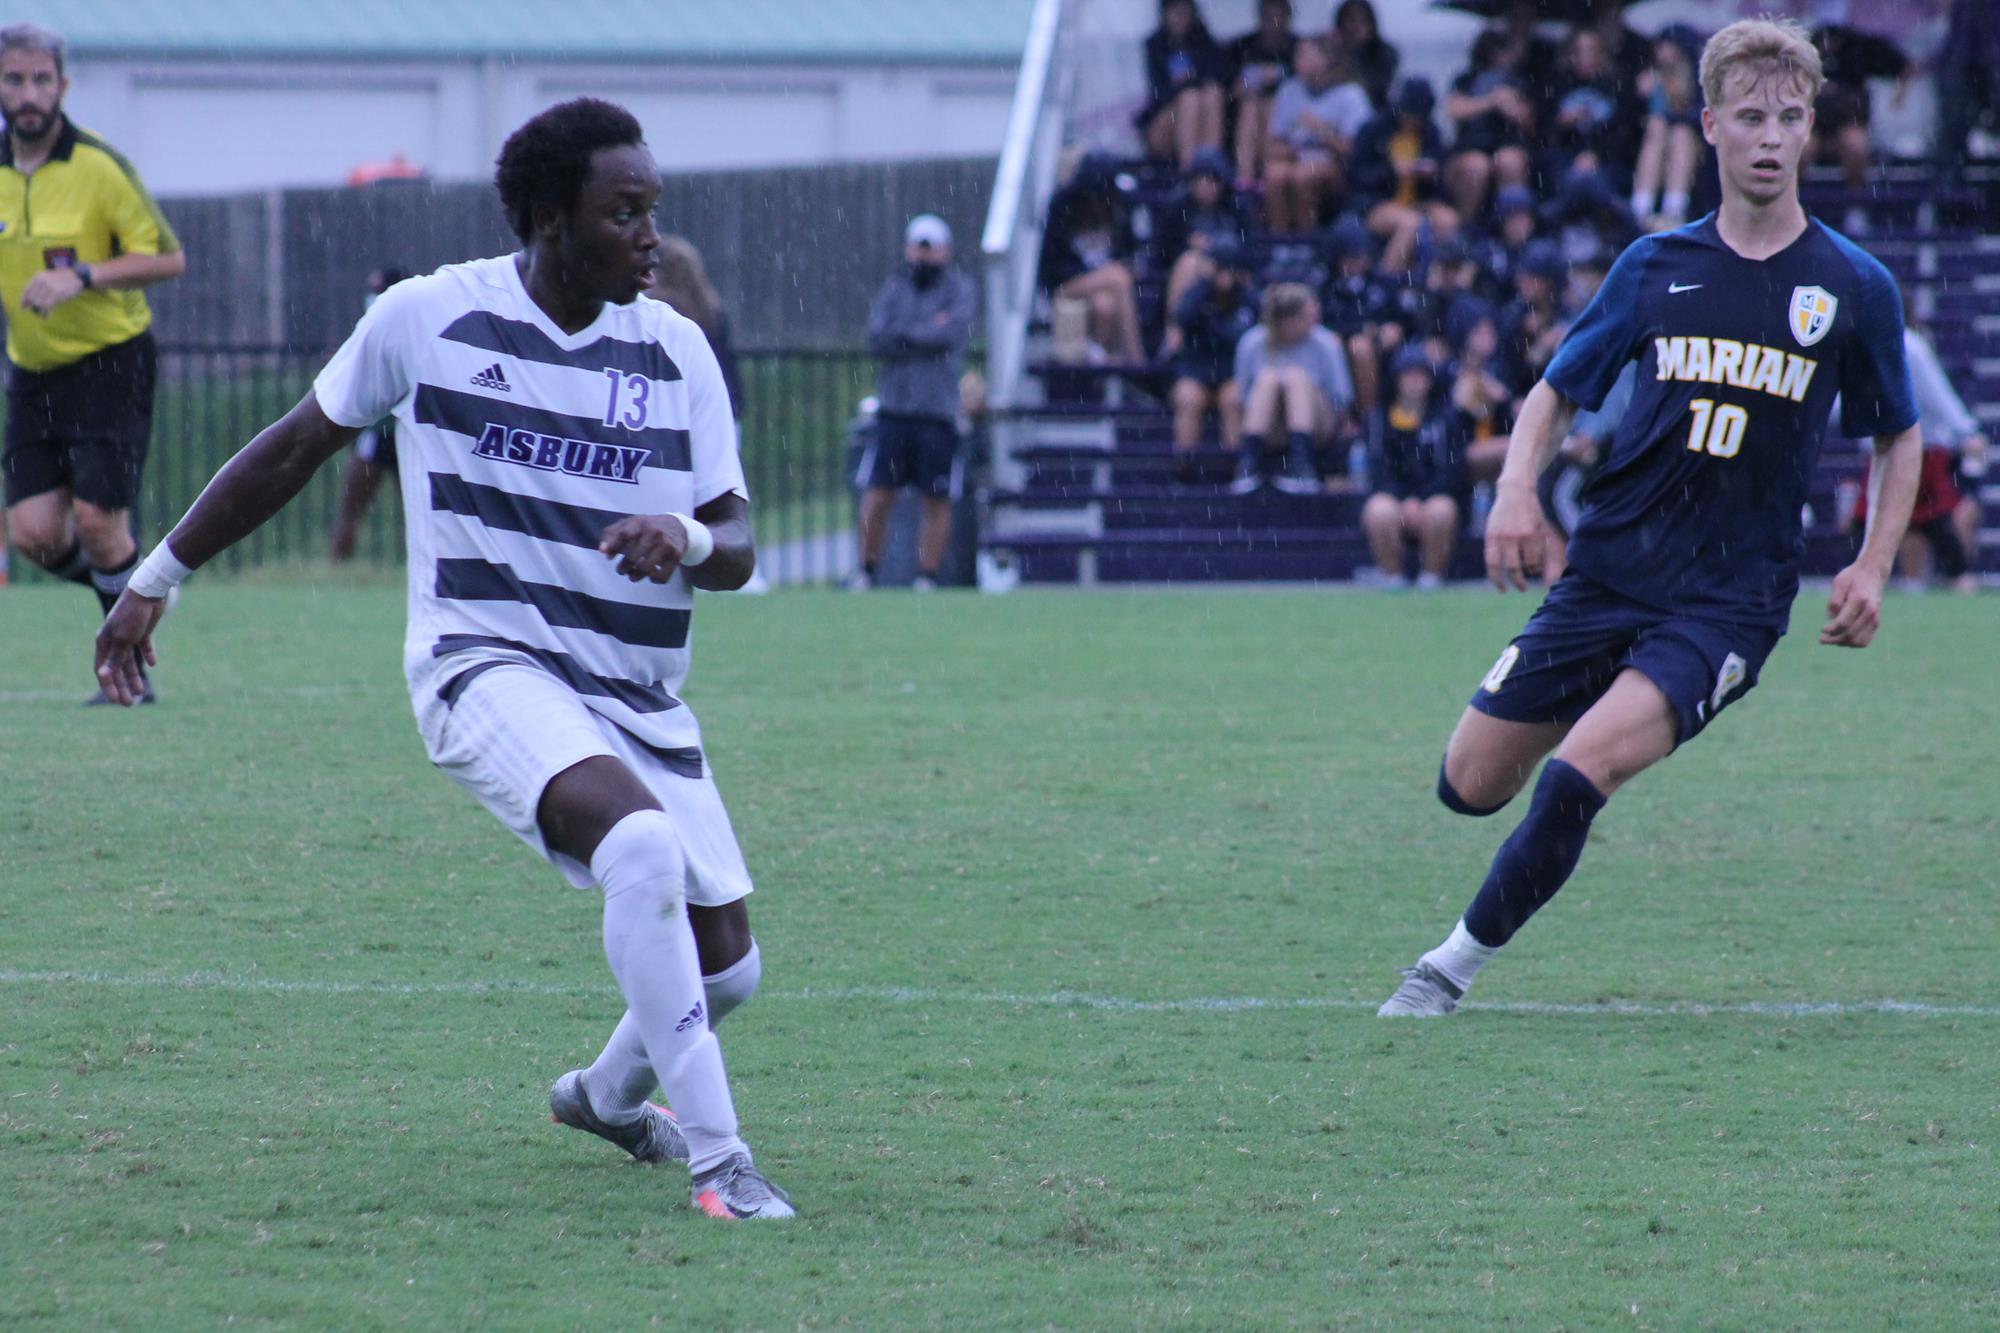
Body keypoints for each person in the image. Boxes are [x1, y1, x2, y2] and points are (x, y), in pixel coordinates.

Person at [94, 99, 796, 1220]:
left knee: (728, 969)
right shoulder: (428, 317)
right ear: (548, 220)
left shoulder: (675, 353)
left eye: (654, 211)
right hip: (485, 661)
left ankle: (606, 1099)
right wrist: (154, 576)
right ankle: (722, 1166)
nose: (651, 237)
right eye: (626, 213)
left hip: (636, 691)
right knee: (643, 853)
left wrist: (692, 536)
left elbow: (738, 548)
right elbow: (292, 449)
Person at [1375, 19, 1923, 1017]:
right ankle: (1582, 701)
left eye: (1788, 118)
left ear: (1807, 133)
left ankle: (1442, 970)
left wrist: (1871, 564)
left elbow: (1898, 435)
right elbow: (1553, 392)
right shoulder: (1650, 265)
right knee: (1468, 781)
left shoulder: (1852, 285)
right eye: (1749, 116)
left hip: (1725, 598)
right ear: (1707, 125)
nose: (1769, 135)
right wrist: (1512, 491)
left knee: (1580, 770)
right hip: (1606, 572)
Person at [0, 22, 185, 700]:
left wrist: (82, 276)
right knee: (33, 534)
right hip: (31, 368)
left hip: (111, 361)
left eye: (40, 79)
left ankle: (129, 676)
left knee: (100, 522)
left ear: (62, 86)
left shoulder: (99, 166)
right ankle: (139, 588)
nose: (28, 93)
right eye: (14, 78)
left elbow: (168, 257)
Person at [855, 213, 976, 591]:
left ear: (945, 251)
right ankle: (866, 570)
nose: (923, 258)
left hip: (936, 412)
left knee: (936, 498)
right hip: (895, 410)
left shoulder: (959, 289)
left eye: (931, 249)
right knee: (878, 495)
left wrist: (905, 337)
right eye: (918, 248)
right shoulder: (895, 288)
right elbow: (878, 338)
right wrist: (925, 333)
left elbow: (951, 333)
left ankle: (927, 575)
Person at [1230, 281, 1354, 494]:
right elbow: (1242, 398)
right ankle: (1248, 464)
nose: (1315, 320)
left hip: (1318, 427)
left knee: (1296, 378)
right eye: (1307, 316)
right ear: (1286, 320)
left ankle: (1302, 466)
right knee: (1268, 378)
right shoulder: (1251, 343)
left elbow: (1341, 399)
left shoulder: (1326, 343)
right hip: (1271, 428)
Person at [1359, 345, 1468, 589]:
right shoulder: (1378, 419)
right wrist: (1402, 500)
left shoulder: (1447, 418)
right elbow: (1378, 470)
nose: (1414, 381)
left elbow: (1453, 470)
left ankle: (1430, 578)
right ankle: (1392, 578)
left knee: (1442, 510)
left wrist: (1420, 499)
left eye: (1421, 375)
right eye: (1408, 374)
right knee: (1379, 510)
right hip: (1393, 497)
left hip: (1433, 497)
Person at [328, 265, 409, 563]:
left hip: (403, 433)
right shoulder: (371, 329)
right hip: (376, 435)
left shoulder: (405, 328)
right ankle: (337, 576)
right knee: (350, 510)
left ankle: (424, 574)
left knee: (422, 513)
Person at [1166, 238, 1257, 482]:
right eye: (1219, 267)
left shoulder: (1246, 298)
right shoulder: (1198, 295)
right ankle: (1182, 469)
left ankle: (1235, 468)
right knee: (1188, 397)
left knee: (1233, 398)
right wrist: (1206, 284)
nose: (1224, 275)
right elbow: (1181, 317)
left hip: (1231, 370)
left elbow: (1246, 332)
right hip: (1197, 368)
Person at [1039, 153, 1144, 364]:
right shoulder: (1061, 206)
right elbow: (1052, 264)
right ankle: (1136, 358)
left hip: (1105, 288)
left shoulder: (1120, 207)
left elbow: (1128, 250)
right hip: (1067, 285)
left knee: (1105, 305)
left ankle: (1100, 365)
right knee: (1119, 277)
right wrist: (1096, 275)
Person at [1262, 34, 1372, 234]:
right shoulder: (1289, 90)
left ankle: (1308, 238)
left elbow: (1357, 149)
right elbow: (1274, 142)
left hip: (1336, 165)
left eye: (1306, 55)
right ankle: (1280, 239)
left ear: (1326, 59)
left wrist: (1320, 131)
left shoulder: (1350, 94)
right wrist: (1292, 152)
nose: (1298, 61)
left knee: (1303, 176)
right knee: (1275, 174)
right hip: (1296, 156)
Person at [1349, 77, 1455, 274]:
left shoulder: (1431, 133)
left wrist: (1429, 175)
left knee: (1447, 220)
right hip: (1378, 203)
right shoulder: (1373, 129)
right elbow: (1356, 176)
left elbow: (1440, 179)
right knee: (1410, 223)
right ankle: (1387, 280)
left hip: (1418, 201)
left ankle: (1435, 281)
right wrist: (1391, 171)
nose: (1413, 120)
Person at [1443, 27, 1536, 223]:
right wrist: (1490, 102)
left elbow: (1529, 120)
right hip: (1471, 149)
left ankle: (1514, 227)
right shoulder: (1465, 80)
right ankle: (1467, 226)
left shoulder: (1516, 81)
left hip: (1507, 145)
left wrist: (1510, 107)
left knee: (1509, 160)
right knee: (1478, 166)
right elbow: (1455, 110)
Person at [648, 235, 743, 420]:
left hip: (672, 405)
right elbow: (725, 363)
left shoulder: (660, 312)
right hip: (717, 400)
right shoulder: (712, 311)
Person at [1154, 148, 1252, 319]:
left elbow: (1250, 245)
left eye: (1212, 181)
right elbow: (1162, 251)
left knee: (1237, 275)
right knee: (1189, 263)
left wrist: (1220, 251)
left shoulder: (1235, 206)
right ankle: (1174, 329)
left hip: (1232, 266)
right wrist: (1187, 244)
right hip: (1193, 269)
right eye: (1200, 181)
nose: (1206, 187)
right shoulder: (1177, 207)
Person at [1629, 25, 1706, 231]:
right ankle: (1640, 208)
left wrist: (1675, 117)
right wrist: (1640, 99)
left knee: (1680, 133)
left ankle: (1674, 209)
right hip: (1652, 146)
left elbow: (1702, 116)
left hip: (1692, 150)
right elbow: (1628, 124)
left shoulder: (1698, 80)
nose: (1660, 51)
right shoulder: (1648, 78)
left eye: (1666, 45)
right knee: (1657, 127)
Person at [1140, 0, 1228, 170]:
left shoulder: (1204, 42)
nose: (1179, 17)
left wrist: (1190, 79)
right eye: (1175, 12)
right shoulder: (1155, 46)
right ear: (1164, 14)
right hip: (1163, 122)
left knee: (1212, 92)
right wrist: (1185, 85)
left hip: (1200, 112)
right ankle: (1190, 173)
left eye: (1184, 12)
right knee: (1190, 98)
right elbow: (1159, 94)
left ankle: (1211, 169)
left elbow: (1219, 77)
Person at [1225, 0, 1297, 186]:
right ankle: (1244, 179)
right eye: (1267, 16)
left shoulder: (1299, 48)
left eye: (1277, 16)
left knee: (1269, 105)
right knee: (1252, 106)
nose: (1272, 22)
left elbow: (1306, 83)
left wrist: (1276, 76)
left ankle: (1268, 177)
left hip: (1290, 120)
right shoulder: (1241, 47)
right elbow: (1228, 88)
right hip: (1241, 117)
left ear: (1288, 18)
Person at [1333, 0, 1399, 112]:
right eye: (1350, 20)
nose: (1355, 27)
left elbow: (1377, 89)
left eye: (1361, 20)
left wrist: (1357, 50)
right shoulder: (1333, 51)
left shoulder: (1386, 52)